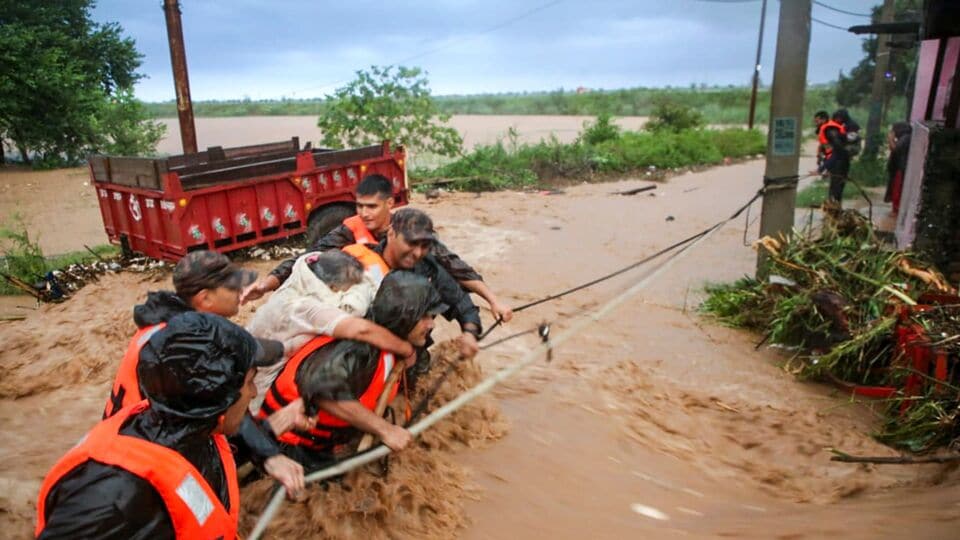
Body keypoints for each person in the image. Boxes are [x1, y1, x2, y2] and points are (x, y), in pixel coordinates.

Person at [36, 312, 280, 539]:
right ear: (216, 398)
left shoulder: (196, 428)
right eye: (249, 382)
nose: (254, 392)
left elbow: (200, 474)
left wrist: (276, 428)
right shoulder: (114, 499)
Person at [102, 249, 308, 500]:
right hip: (145, 454)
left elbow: (247, 350)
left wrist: (289, 347)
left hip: (140, 433)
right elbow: (218, 402)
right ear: (205, 298)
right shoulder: (183, 353)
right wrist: (269, 456)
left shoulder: (178, 331)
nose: (240, 292)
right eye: (232, 288)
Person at [241, 173, 513, 323]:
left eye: (371, 206)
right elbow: (307, 258)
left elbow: (455, 267)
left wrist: (493, 301)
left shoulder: (412, 232)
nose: (364, 213)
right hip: (363, 309)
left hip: (405, 310)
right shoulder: (349, 230)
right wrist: (268, 283)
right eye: (360, 206)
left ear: (390, 204)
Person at [257, 272, 444, 470]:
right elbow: (322, 391)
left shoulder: (398, 345)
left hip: (321, 442)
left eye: (432, 316)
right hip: (288, 445)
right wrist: (385, 430)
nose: (431, 324)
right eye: (424, 317)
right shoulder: (360, 349)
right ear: (404, 316)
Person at [246, 250, 415, 411]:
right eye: (350, 287)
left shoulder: (307, 271)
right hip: (257, 388)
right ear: (333, 288)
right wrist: (405, 349)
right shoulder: (303, 306)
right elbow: (360, 329)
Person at [812, 110, 850, 204]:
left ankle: (835, 214)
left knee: (836, 191)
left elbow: (838, 151)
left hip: (840, 162)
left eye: (817, 121)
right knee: (833, 189)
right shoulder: (827, 129)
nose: (816, 124)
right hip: (836, 161)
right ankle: (833, 213)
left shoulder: (830, 130)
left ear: (824, 119)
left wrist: (822, 168)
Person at [885, 122, 912, 216]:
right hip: (898, 167)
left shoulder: (906, 137)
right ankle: (895, 209)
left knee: (898, 189)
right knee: (895, 188)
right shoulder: (905, 137)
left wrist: (890, 139)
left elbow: (895, 149)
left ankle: (896, 210)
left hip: (901, 167)